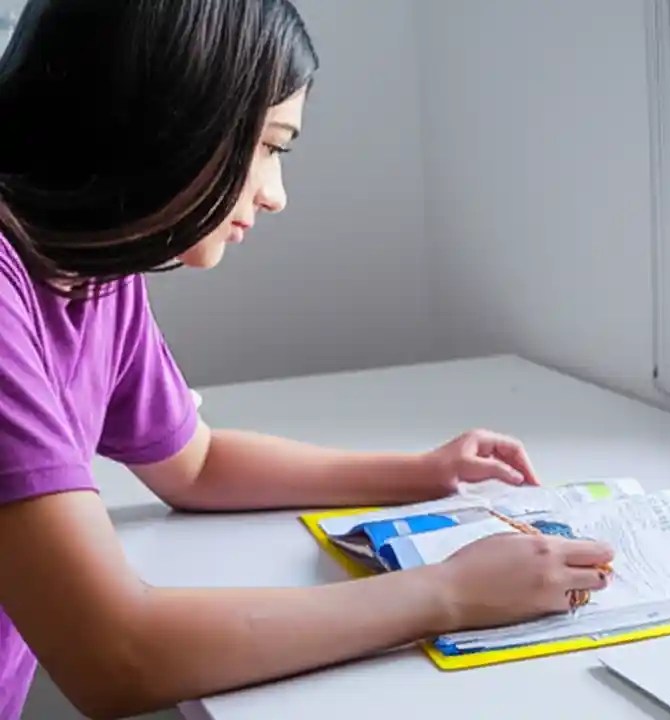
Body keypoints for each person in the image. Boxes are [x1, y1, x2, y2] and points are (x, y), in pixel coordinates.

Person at [0, 1, 615, 718]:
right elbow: (115, 653)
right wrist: (446, 593)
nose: (275, 194)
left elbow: (194, 465)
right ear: (164, 112)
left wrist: (420, 474)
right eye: (268, 145)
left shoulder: (93, 271)